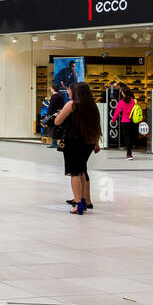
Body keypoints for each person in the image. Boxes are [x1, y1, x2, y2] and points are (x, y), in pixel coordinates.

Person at [54, 81, 101, 215]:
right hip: (88, 142)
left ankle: (78, 203)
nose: (68, 92)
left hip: (73, 142)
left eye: (70, 90)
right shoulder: (92, 106)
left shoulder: (71, 104)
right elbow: (96, 125)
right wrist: (96, 143)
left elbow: (58, 122)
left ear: (75, 92)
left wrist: (59, 114)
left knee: (74, 172)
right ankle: (84, 201)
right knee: (81, 170)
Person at [111, 82, 139, 159]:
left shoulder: (121, 102)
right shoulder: (134, 101)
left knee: (127, 138)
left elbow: (116, 112)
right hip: (133, 122)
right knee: (131, 137)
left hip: (125, 122)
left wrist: (113, 120)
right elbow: (137, 111)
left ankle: (129, 154)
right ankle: (129, 152)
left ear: (123, 94)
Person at [45, 83, 68, 148]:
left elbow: (51, 106)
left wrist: (48, 114)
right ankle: (61, 143)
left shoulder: (53, 96)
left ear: (53, 89)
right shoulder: (61, 96)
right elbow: (63, 105)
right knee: (59, 128)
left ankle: (54, 143)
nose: (51, 89)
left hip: (53, 114)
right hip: (59, 114)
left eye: (51, 88)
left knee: (53, 128)